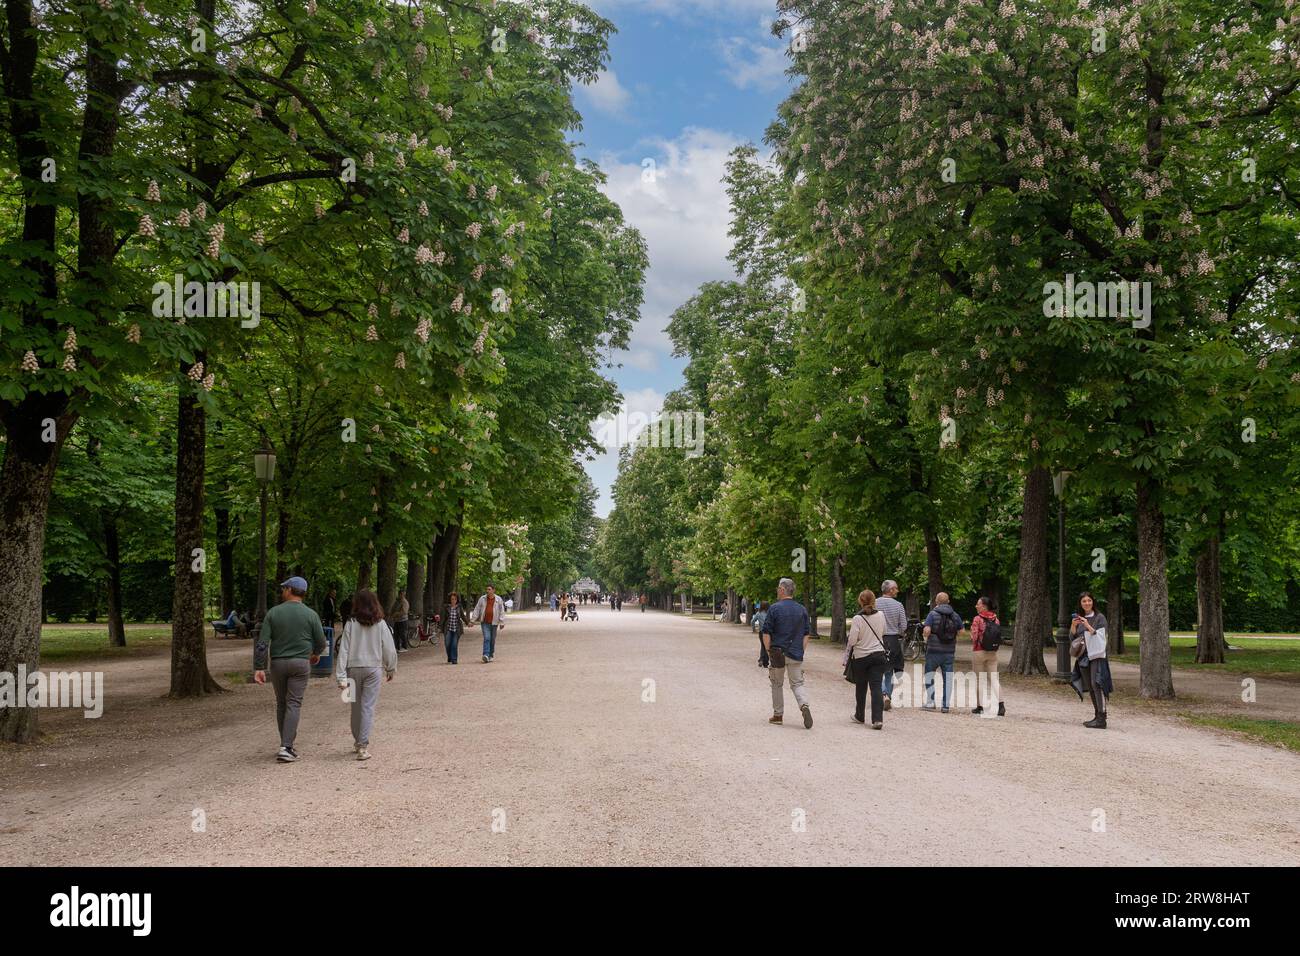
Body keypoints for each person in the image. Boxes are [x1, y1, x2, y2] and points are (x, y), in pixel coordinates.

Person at [253, 576, 327, 763]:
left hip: (278, 663)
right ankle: (286, 746)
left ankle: (285, 744)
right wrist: (315, 653)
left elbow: (262, 642)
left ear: (289, 590)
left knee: (281, 703)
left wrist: (259, 667)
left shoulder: (273, 613)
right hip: (301, 663)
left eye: (283, 588)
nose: (282, 591)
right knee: (294, 703)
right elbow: (320, 641)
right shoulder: (311, 614)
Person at [334, 589, 397, 761]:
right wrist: (390, 668)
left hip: (353, 670)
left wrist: (341, 676)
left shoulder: (351, 623)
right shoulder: (381, 623)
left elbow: (344, 650)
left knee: (355, 707)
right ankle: (362, 745)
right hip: (373, 669)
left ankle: (357, 741)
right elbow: (389, 648)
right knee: (367, 707)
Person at [761, 578, 813, 728]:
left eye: (778, 588)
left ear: (783, 590)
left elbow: (766, 632)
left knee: (777, 683)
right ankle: (804, 705)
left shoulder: (774, 608)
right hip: (796, 652)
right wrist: (801, 650)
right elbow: (806, 634)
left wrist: (768, 650)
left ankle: (778, 715)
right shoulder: (802, 609)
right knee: (797, 683)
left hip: (778, 652)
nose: (777, 591)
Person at [844, 589, 890, 729]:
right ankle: (877, 719)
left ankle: (860, 715)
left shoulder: (858, 618)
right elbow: (884, 632)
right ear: (874, 601)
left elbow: (852, 640)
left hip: (861, 657)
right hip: (878, 654)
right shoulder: (881, 615)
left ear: (860, 601)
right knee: (876, 687)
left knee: (861, 687)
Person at [1069, 591, 1112, 729]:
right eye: (1084, 601)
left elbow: (1102, 636)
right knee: (1091, 687)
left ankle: (1102, 718)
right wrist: (1074, 626)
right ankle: (1097, 714)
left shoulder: (1100, 618)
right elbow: (1073, 639)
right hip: (1083, 656)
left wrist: (1088, 626)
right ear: (1080, 604)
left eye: (1089, 600)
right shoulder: (1079, 618)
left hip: (1097, 655)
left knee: (1097, 684)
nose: (1087, 603)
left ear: (1093, 602)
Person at [921, 592, 963, 713]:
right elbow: (961, 632)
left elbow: (927, 630)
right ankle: (945, 706)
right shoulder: (955, 615)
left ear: (936, 602)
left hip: (933, 650)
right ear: (948, 601)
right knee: (948, 678)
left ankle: (930, 702)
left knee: (929, 676)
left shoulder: (932, 614)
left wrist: (925, 637)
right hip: (949, 652)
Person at [969, 596, 1005, 716]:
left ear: (983, 606)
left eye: (978, 604)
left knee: (979, 679)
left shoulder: (977, 619)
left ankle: (980, 706)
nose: (976, 606)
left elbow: (974, 638)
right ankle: (1001, 706)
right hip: (993, 652)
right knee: (994, 679)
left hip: (979, 651)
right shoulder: (996, 619)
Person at [876, 580, 908, 711]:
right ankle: (887, 695)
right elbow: (904, 626)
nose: (898, 591)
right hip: (893, 640)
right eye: (896, 589)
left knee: (877, 670)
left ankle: (883, 694)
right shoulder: (898, 605)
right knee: (890, 670)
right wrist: (898, 632)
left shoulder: (875, 602)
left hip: (878, 639)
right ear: (891, 590)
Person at [471, 584, 506, 663]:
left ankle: (490, 655)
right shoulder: (482, 599)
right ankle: (486, 655)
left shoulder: (498, 599)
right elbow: (477, 609)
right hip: (485, 622)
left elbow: (502, 611)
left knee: (492, 639)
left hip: (494, 623)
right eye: (487, 589)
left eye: (489, 589)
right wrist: (473, 620)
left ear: (493, 590)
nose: (488, 591)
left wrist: (502, 622)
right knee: (487, 638)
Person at [443, 591, 463, 664]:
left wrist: (468, 622)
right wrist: (439, 627)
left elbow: (462, 616)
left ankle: (454, 659)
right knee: (447, 644)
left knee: (454, 644)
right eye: (452, 599)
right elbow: (443, 618)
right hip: (448, 628)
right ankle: (450, 657)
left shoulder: (459, 607)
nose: (453, 601)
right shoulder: (446, 607)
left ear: (457, 600)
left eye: (455, 599)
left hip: (456, 629)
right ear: (450, 600)